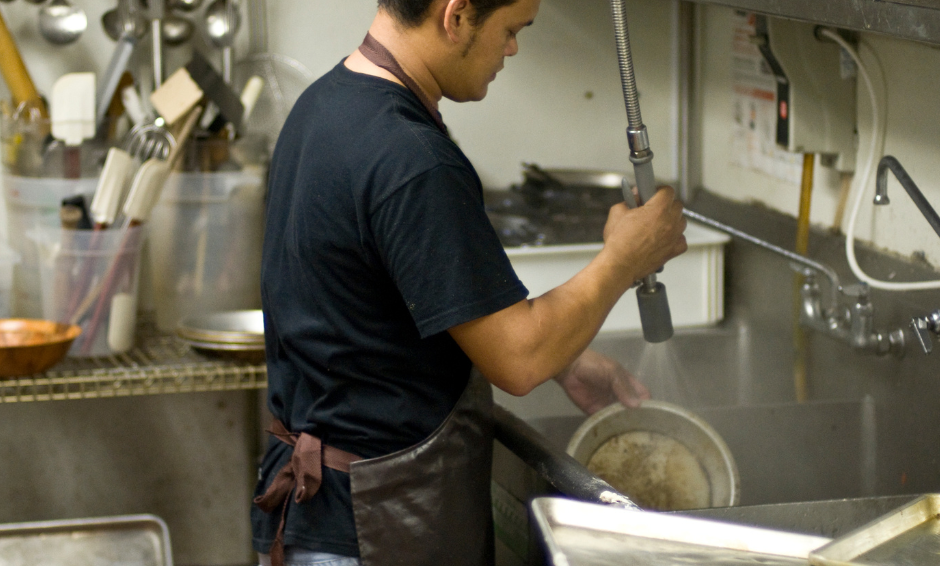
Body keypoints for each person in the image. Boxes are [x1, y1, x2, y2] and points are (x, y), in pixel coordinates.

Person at [252, 0, 688, 565]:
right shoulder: (411, 158)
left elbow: (379, 308)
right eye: (510, 30)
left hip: (324, 519)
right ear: (455, 16)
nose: (512, 49)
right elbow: (518, 359)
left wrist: (568, 359)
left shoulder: (328, 103)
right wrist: (624, 258)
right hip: (373, 531)